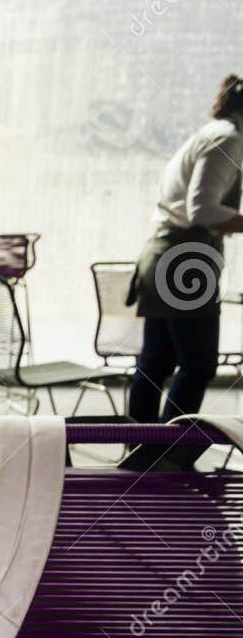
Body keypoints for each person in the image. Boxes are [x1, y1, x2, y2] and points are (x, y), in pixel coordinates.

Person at [126, 74, 243, 432]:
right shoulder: (228, 139)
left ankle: (143, 448)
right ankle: (170, 452)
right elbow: (202, 211)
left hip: (166, 255)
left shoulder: (210, 134)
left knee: (156, 362)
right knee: (198, 364)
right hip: (185, 260)